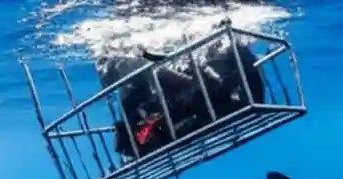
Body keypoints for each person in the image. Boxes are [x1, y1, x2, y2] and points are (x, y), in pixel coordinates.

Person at [98, 37, 266, 159]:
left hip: (177, 107)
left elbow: (156, 79)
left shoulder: (142, 129)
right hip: (183, 106)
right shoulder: (143, 131)